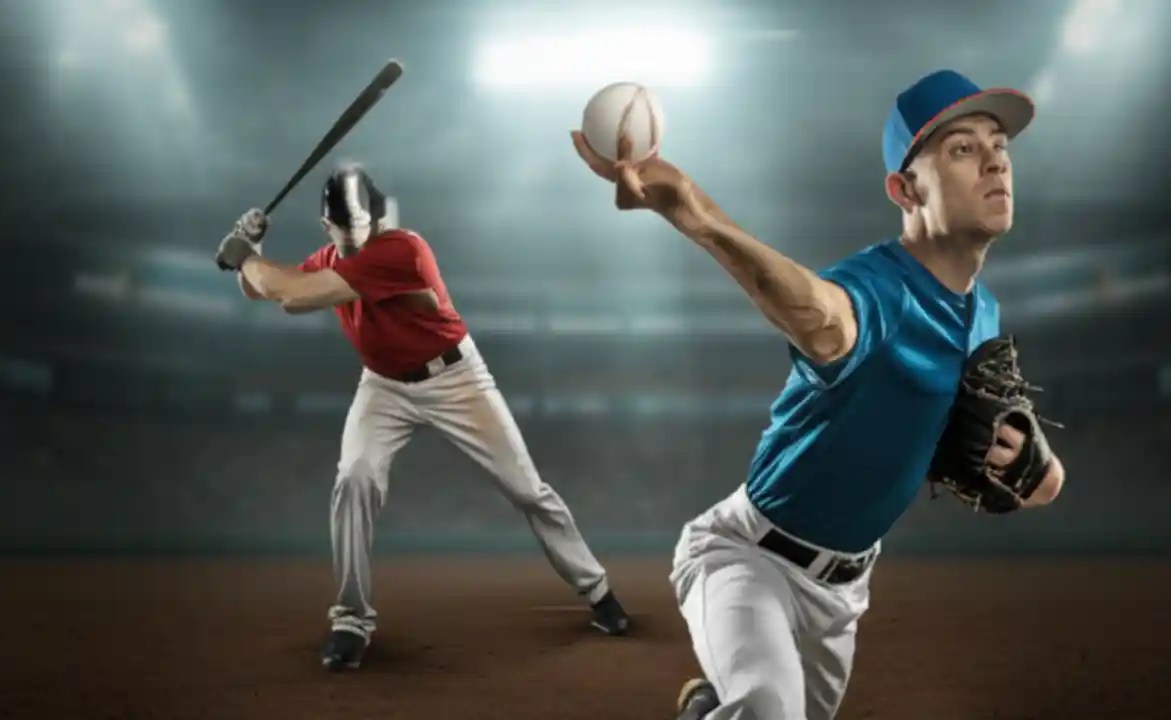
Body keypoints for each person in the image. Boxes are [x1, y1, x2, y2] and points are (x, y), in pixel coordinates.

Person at [571, 69, 1067, 719]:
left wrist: (1035, 460)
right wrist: (691, 210)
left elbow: (1042, 484)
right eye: (962, 148)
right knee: (769, 711)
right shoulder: (878, 290)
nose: (996, 159)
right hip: (748, 558)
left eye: (999, 145)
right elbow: (817, 313)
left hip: (844, 594)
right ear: (905, 188)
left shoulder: (984, 317)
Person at [213, 163, 629, 672]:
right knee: (355, 477)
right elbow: (271, 293)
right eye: (342, 226)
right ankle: (350, 619)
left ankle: (599, 590)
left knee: (526, 488)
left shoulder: (400, 251)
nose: (353, 234)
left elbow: (291, 294)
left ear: (377, 216)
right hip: (383, 385)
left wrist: (245, 258)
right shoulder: (330, 259)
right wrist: (246, 258)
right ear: (327, 227)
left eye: (360, 222)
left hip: (455, 378)